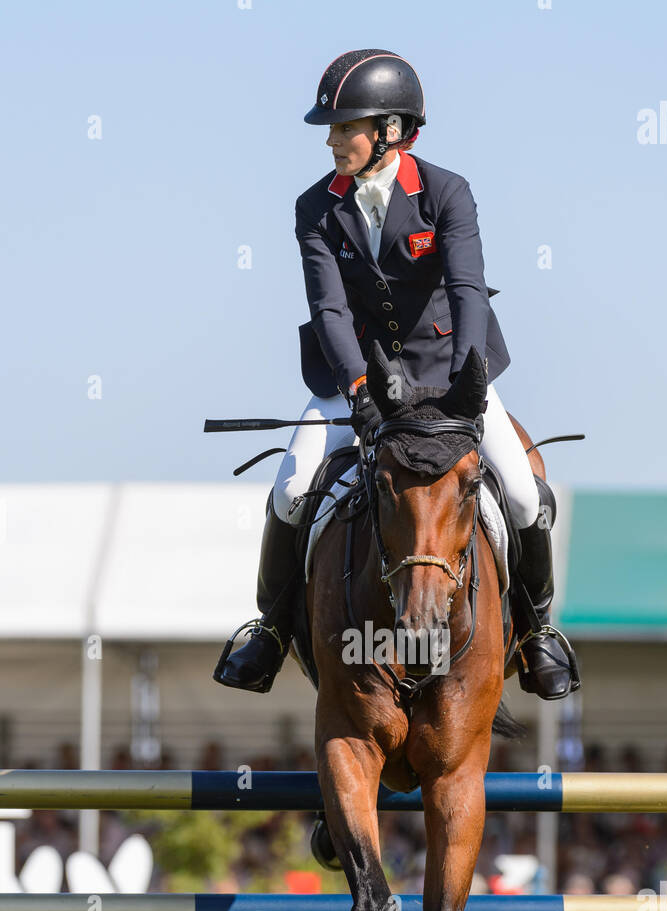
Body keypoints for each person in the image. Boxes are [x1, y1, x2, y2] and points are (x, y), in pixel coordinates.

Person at [214, 48, 579, 701]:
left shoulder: (445, 193)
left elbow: (467, 291)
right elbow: (327, 308)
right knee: (293, 490)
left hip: (449, 380)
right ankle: (269, 630)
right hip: (355, 384)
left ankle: (538, 632)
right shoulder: (315, 208)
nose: (330, 140)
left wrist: (469, 382)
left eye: (342, 127)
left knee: (523, 495)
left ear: (388, 129)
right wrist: (357, 389)